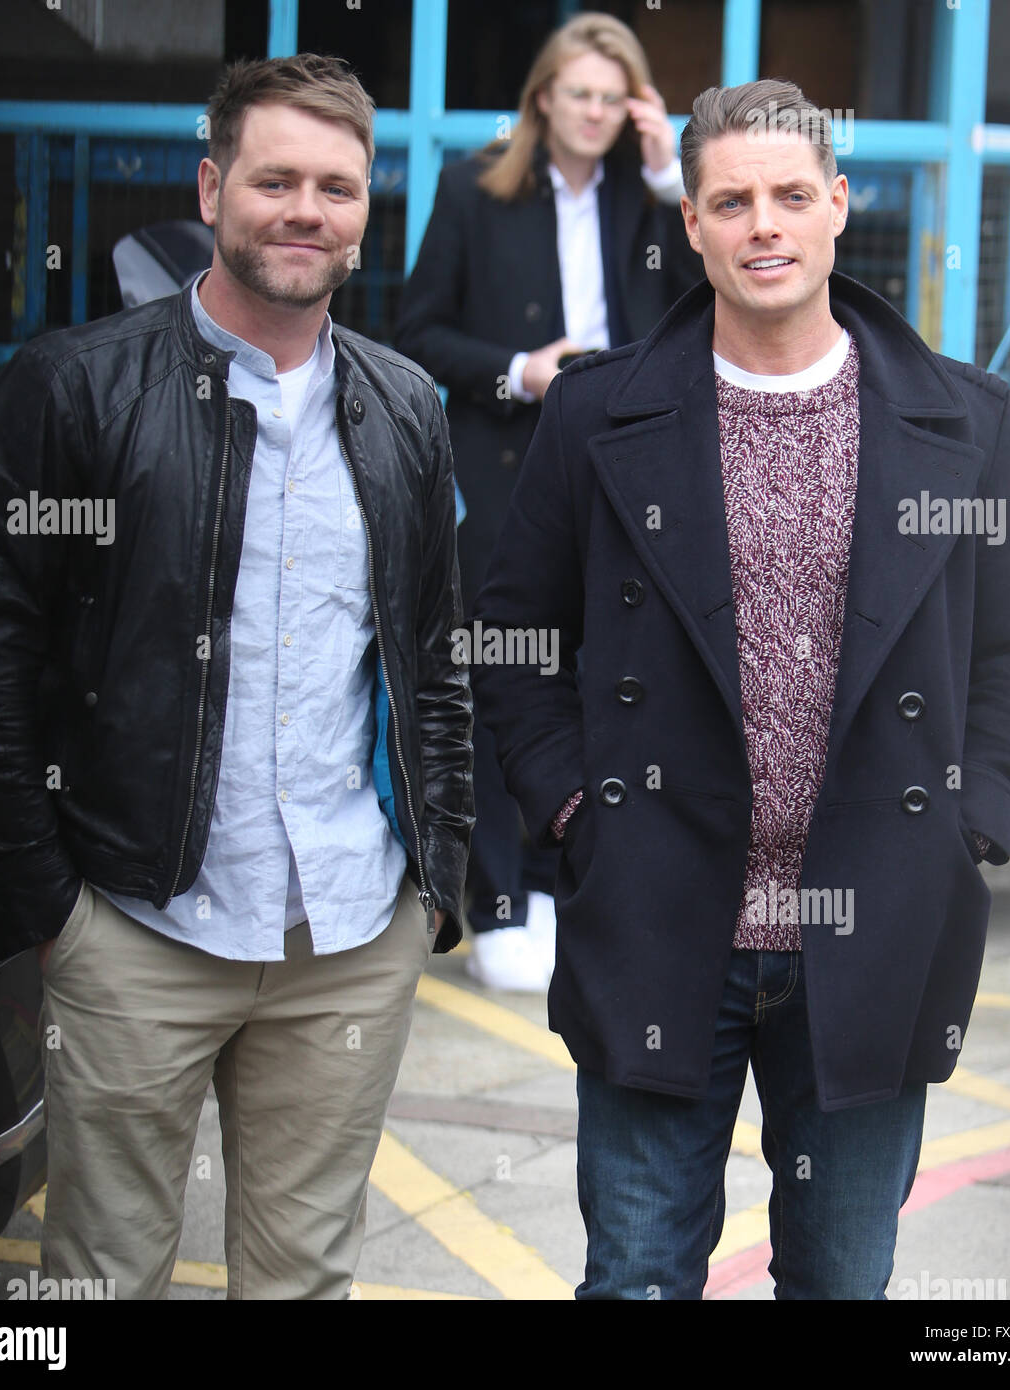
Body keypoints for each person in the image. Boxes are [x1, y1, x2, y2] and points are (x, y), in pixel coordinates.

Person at [470, 78, 1010, 1299]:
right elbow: (511, 631)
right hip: (659, 915)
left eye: (791, 196)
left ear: (837, 208)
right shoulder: (599, 413)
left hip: (871, 926)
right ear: (688, 224)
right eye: (731, 200)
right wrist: (576, 812)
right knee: (636, 1277)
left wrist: (970, 817)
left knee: (842, 1285)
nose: (764, 225)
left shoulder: (961, 417)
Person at [0, 53, 473, 1300]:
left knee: (304, 1277)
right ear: (213, 186)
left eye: (336, 186)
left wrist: (434, 885)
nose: (304, 209)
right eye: (274, 178)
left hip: (346, 928)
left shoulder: (404, 407)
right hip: (135, 926)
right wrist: (52, 912)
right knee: (102, 1276)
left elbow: (435, 661)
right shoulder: (74, 386)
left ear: (365, 209)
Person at [396, 11, 701, 991]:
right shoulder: (472, 190)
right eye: (581, 94)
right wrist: (525, 371)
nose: (597, 112)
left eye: (616, 99)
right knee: (499, 678)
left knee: (606, 681)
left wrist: (669, 176)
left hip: (629, 471)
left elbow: (709, 311)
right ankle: (495, 905)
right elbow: (419, 331)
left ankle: (566, 887)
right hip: (508, 465)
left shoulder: (652, 202)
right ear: (543, 96)